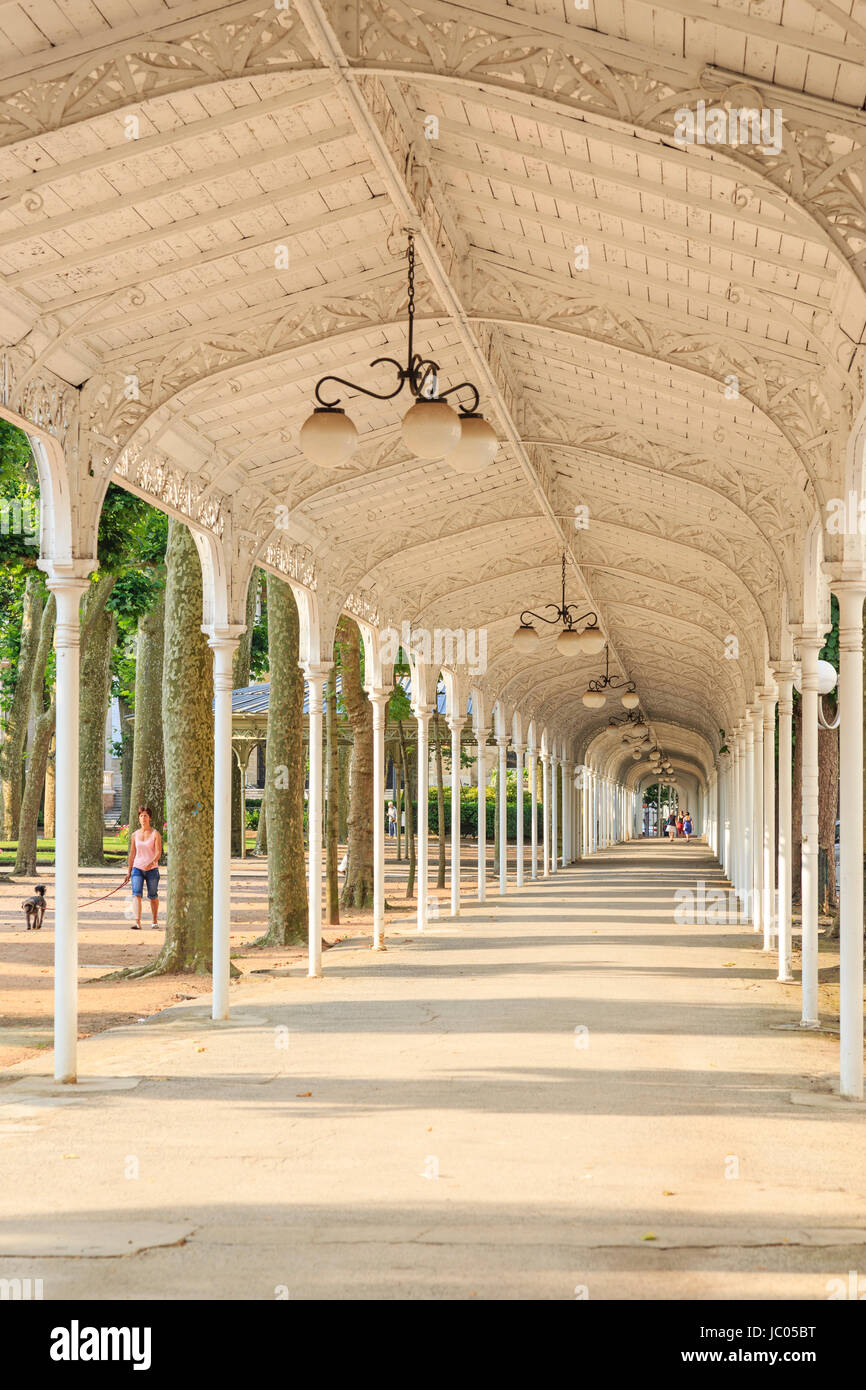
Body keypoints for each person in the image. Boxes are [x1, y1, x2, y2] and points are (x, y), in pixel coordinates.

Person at [123, 805, 162, 929]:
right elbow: (132, 854)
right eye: (141, 816)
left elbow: (158, 852)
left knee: (153, 896)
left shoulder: (156, 834)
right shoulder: (134, 835)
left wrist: (152, 862)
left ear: (149, 818)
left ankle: (154, 921)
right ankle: (137, 922)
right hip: (137, 868)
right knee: (136, 894)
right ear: (138, 819)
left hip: (152, 869)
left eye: (145, 815)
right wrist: (129, 872)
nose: (143, 818)